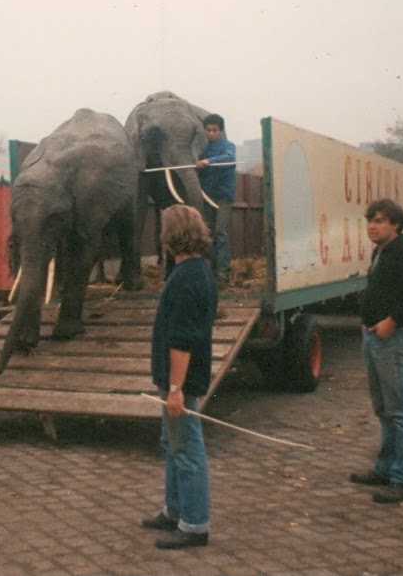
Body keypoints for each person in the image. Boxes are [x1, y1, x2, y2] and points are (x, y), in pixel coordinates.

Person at [142, 204, 218, 550]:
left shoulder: (188, 279)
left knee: (186, 449)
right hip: (176, 380)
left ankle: (195, 524)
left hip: (182, 381)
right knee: (172, 445)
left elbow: (183, 340)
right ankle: (174, 511)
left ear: (171, 237)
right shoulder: (196, 271)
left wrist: (175, 389)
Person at [352, 198, 403, 503]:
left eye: (380, 221)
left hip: (392, 339)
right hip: (373, 338)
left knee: (400, 411)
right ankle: (384, 468)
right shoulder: (382, 251)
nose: (372, 226)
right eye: (370, 220)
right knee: (384, 409)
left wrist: (393, 320)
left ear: (395, 225)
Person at [196, 114, 236, 287]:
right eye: (208, 130)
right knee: (209, 233)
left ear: (221, 131)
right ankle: (211, 271)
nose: (211, 133)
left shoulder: (229, 147)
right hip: (208, 197)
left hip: (223, 198)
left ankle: (223, 273)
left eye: (215, 130)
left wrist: (209, 162)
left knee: (220, 231)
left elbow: (229, 159)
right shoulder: (204, 151)